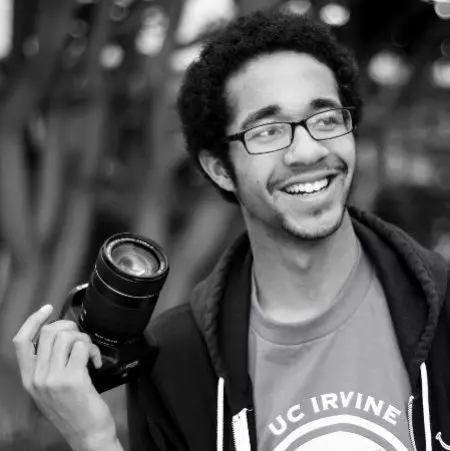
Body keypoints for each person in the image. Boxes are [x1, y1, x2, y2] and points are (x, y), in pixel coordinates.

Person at [13, 9, 450, 451]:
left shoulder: (443, 305)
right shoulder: (178, 362)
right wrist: (93, 438)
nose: (307, 150)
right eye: (268, 130)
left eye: (326, 119)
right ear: (220, 168)